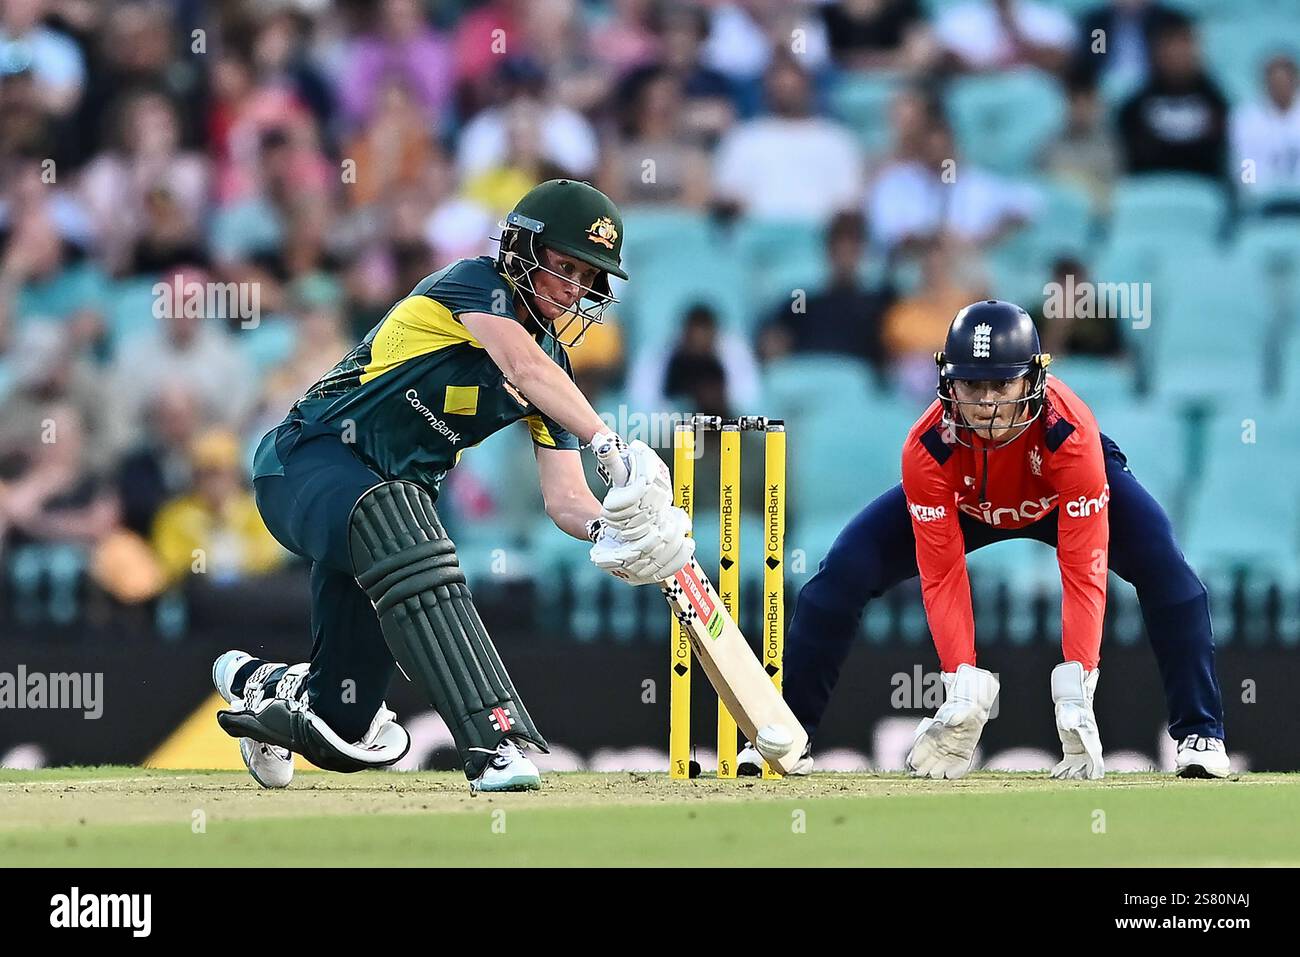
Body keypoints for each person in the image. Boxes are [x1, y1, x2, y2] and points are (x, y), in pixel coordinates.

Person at [211, 180, 693, 792]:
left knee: (345, 726)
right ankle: (494, 743)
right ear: (522, 247)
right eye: (563, 266)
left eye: (586, 276)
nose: (571, 288)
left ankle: (262, 686)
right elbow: (520, 366)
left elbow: (565, 499)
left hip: (385, 526)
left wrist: (614, 530)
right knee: (402, 512)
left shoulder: (554, 374)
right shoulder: (472, 285)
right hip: (306, 463)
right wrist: (609, 443)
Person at [737, 300, 1229, 780]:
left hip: (1054, 493)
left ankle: (1200, 734)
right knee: (838, 579)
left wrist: (1079, 682)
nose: (988, 403)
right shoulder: (929, 447)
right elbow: (942, 573)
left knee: (1173, 578)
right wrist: (962, 685)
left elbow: (1083, 568)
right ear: (949, 382)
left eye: (1002, 383)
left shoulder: (1069, 434)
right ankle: (789, 736)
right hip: (967, 503)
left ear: (1033, 378)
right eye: (972, 385)